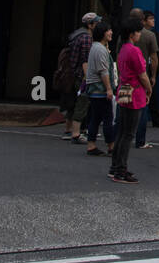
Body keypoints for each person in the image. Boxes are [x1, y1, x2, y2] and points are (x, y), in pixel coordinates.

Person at [109, 16, 151, 184]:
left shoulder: (122, 49)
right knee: (128, 133)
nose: (140, 34)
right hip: (134, 92)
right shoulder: (134, 50)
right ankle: (121, 170)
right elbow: (142, 75)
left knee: (121, 130)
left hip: (124, 89)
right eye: (139, 32)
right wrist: (149, 89)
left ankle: (115, 167)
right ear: (133, 34)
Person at [82, 20, 116, 158]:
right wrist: (109, 89)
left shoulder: (95, 47)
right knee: (108, 118)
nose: (111, 32)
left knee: (95, 118)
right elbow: (103, 71)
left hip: (93, 89)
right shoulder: (100, 49)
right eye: (109, 30)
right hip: (100, 90)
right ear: (102, 33)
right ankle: (111, 146)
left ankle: (91, 145)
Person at [61, 13, 97, 142]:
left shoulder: (76, 35)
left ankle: (69, 130)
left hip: (73, 73)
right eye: (96, 22)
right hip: (81, 75)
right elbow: (85, 60)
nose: (98, 25)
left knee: (73, 102)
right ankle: (76, 133)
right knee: (82, 103)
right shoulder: (86, 38)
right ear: (90, 24)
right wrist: (87, 78)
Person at [129, 8, 159, 149]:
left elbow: (118, 54)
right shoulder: (149, 35)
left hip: (127, 77)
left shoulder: (124, 35)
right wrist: (153, 76)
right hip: (142, 75)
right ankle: (140, 140)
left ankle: (123, 136)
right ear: (142, 19)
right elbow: (154, 58)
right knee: (142, 106)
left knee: (125, 106)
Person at [142, 11, 159, 129]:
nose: (153, 21)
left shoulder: (154, 34)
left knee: (150, 94)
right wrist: (154, 74)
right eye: (151, 19)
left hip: (146, 68)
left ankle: (155, 119)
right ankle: (154, 120)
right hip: (145, 69)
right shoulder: (151, 35)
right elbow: (155, 55)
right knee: (149, 93)